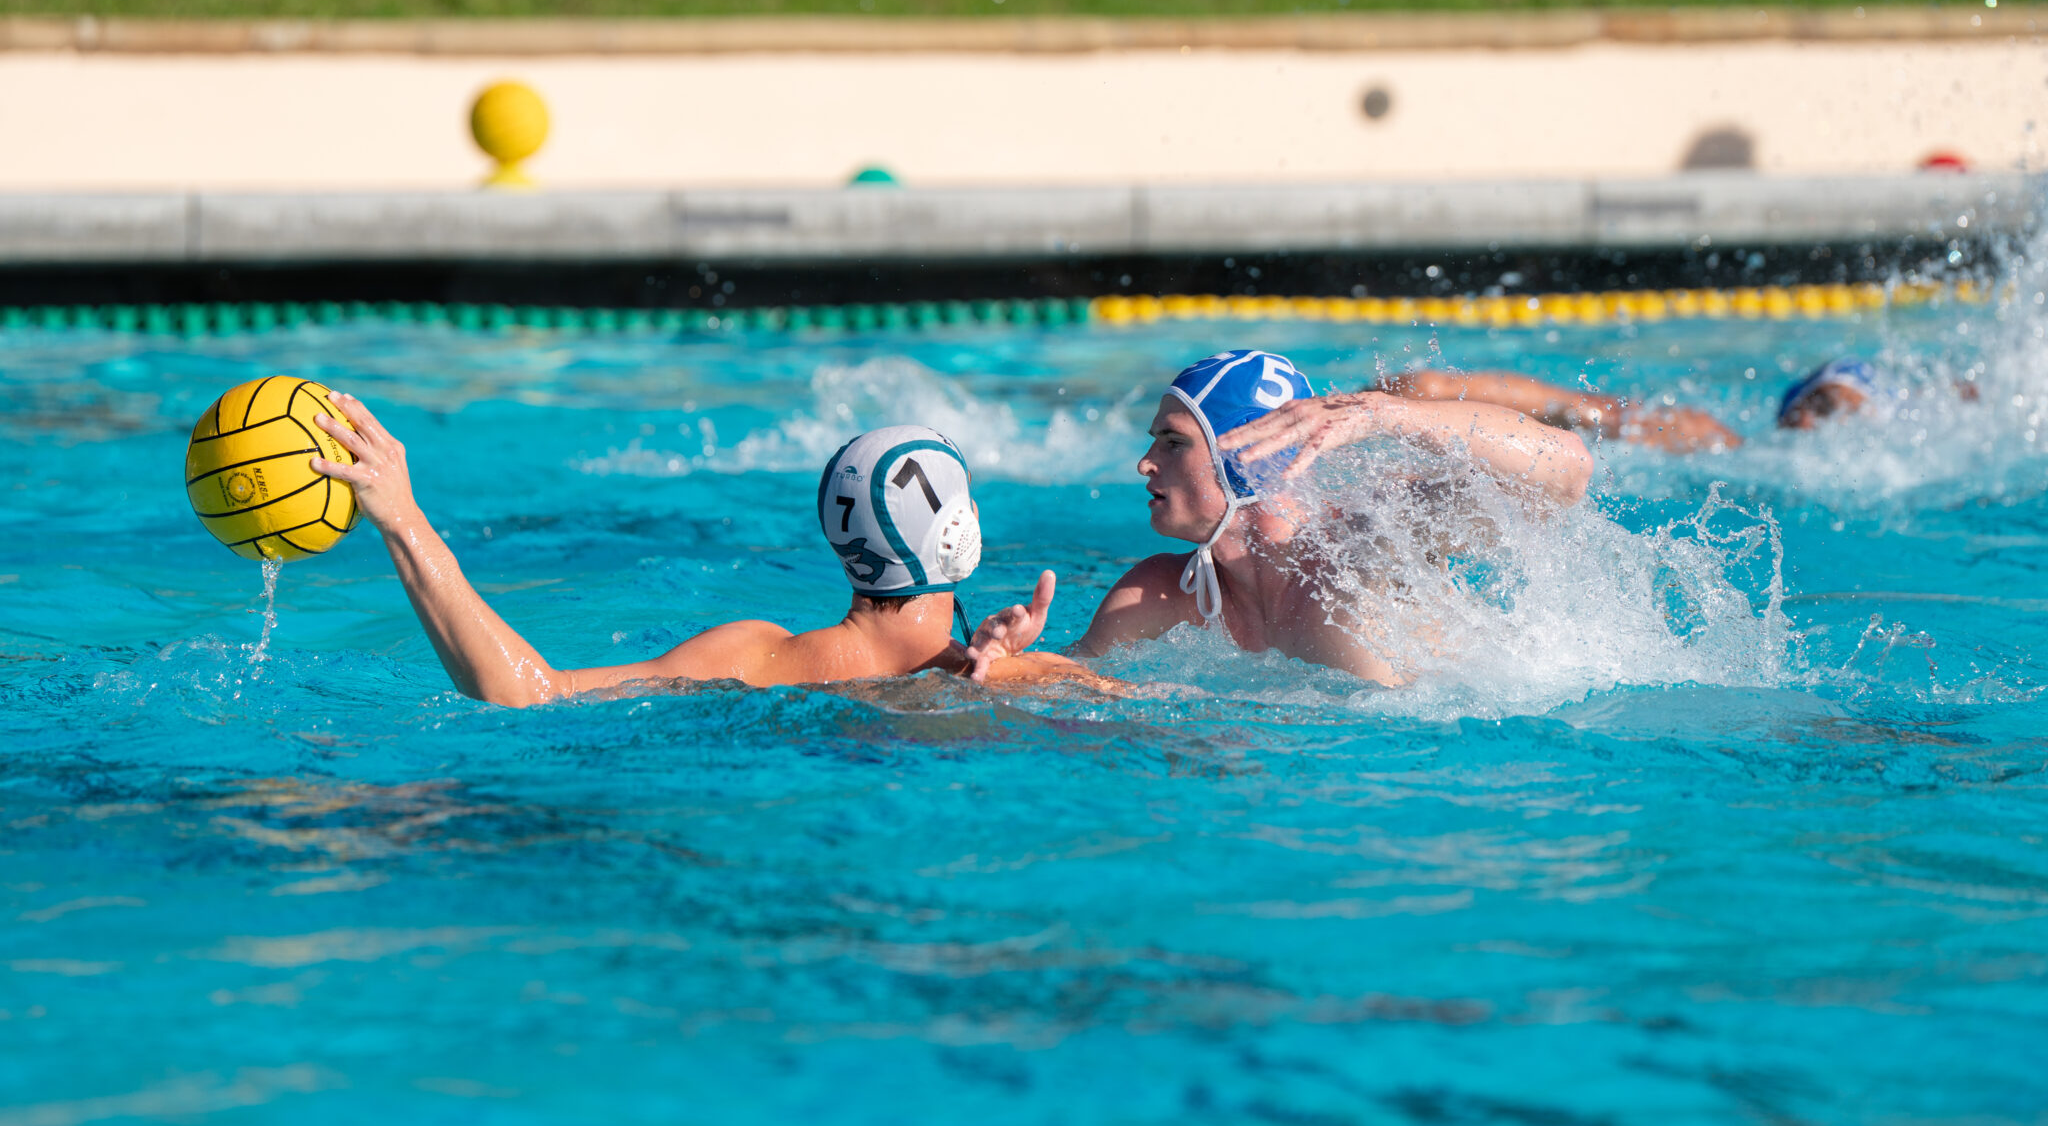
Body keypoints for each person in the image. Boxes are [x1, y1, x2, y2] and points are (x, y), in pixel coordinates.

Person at [309, 395, 1103, 707]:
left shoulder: (748, 653)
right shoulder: (1013, 684)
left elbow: (529, 693)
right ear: (959, 535)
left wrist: (405, 521)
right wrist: (1007, 664)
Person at [964, 349, 1594, 685]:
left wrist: (1382, 414)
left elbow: (1567, 469)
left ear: (1248, 457)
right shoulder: (1154, 595)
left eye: (1173, 442)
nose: (1144, 464)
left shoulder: (1367, 551)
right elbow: (1077, 685)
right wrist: (1006, 662)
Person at [1378, 354, 1907, 449]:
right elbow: (1576, 406)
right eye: (1821, 407)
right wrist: (1439, 391)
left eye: (1839, 416)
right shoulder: (1709, 436)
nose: (1815, 429)